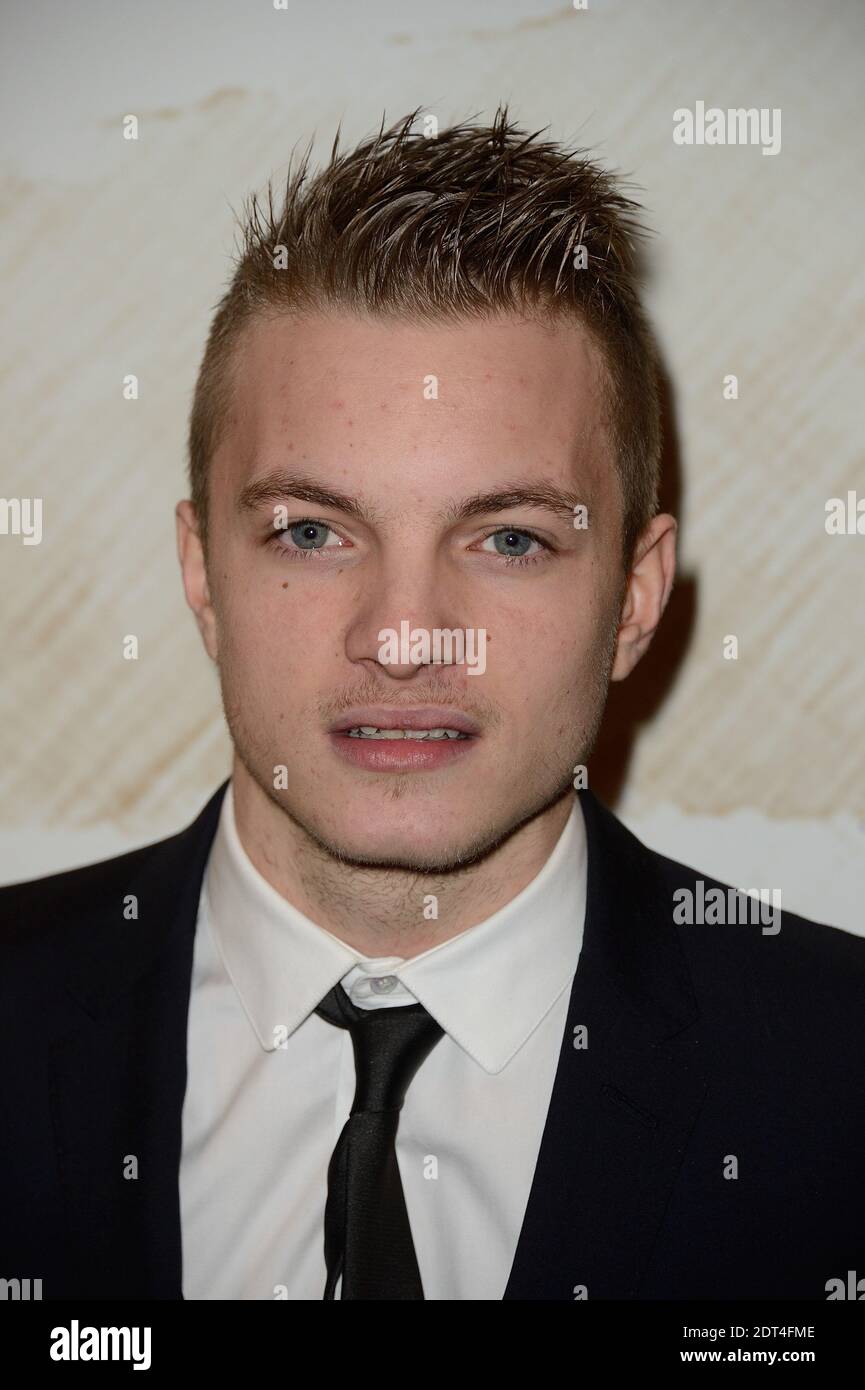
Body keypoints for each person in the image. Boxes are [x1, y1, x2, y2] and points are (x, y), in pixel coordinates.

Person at [2, 106, 863, 1302]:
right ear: (202, 574)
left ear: (633, 598)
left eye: (507, 538)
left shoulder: (840, 1085)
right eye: (312, 530)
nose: (402, 637)